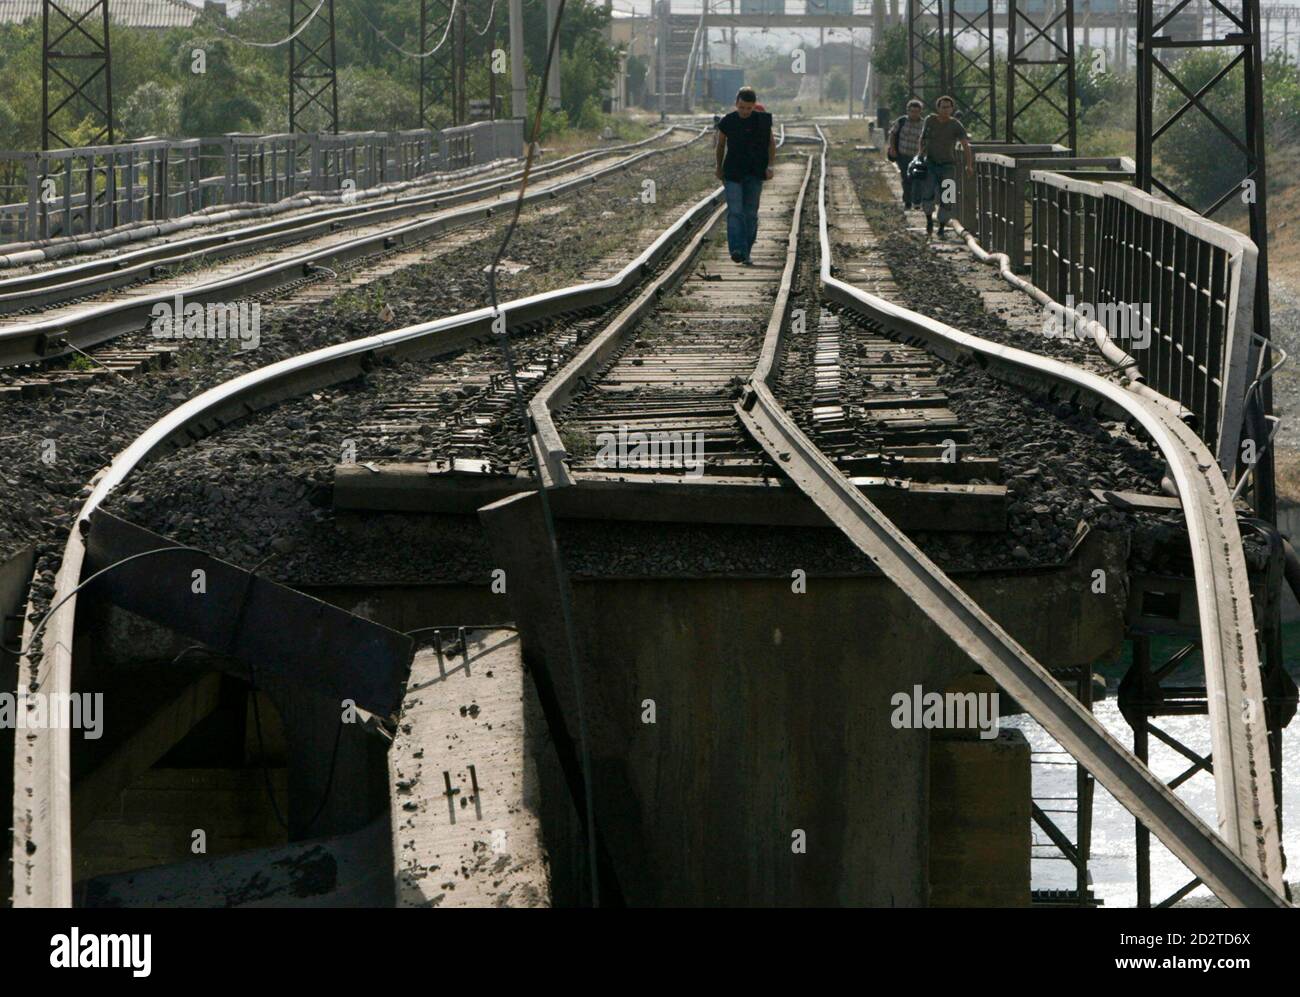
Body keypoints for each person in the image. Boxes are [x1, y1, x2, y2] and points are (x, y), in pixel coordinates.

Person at [714, 87, 776, 265]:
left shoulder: (762, 121)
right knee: (735, 212)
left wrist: (770, 166)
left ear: (754, 106)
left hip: (755, 173)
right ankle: (736, 249)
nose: (745, 111)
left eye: (748, 108)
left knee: (750, 214)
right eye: (741, 107)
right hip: (732, 172)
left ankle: (746, 251)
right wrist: (718, 167)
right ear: (736, 104)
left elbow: (771, 144)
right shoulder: (728, 121)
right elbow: (720, 146)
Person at [917, 95, 974, 239]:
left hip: (948, 165)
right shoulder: (930, 120)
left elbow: (965, 144)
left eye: (949, 107)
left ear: (952, 109)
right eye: (943, 107)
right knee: (928, 193)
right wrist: (920, 155)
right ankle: (929, 220)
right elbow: (922, 139)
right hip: (931, 163)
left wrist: (969, 165)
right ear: (938, 108)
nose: (946, 110)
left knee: (947, 197)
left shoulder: (956, 125)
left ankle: (941, 227)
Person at [887, 99, 925, 210]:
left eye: (916, 111)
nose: (914, 114)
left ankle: (917, 202)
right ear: (908, 111)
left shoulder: (923, 124)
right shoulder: (902, 121)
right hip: (903, 155)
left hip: (917, 156)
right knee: (906, 178)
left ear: (920, 112)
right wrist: (893, 149)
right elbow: (893, 135)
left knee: (917, 179)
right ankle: (907, 201)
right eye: (912, 111)